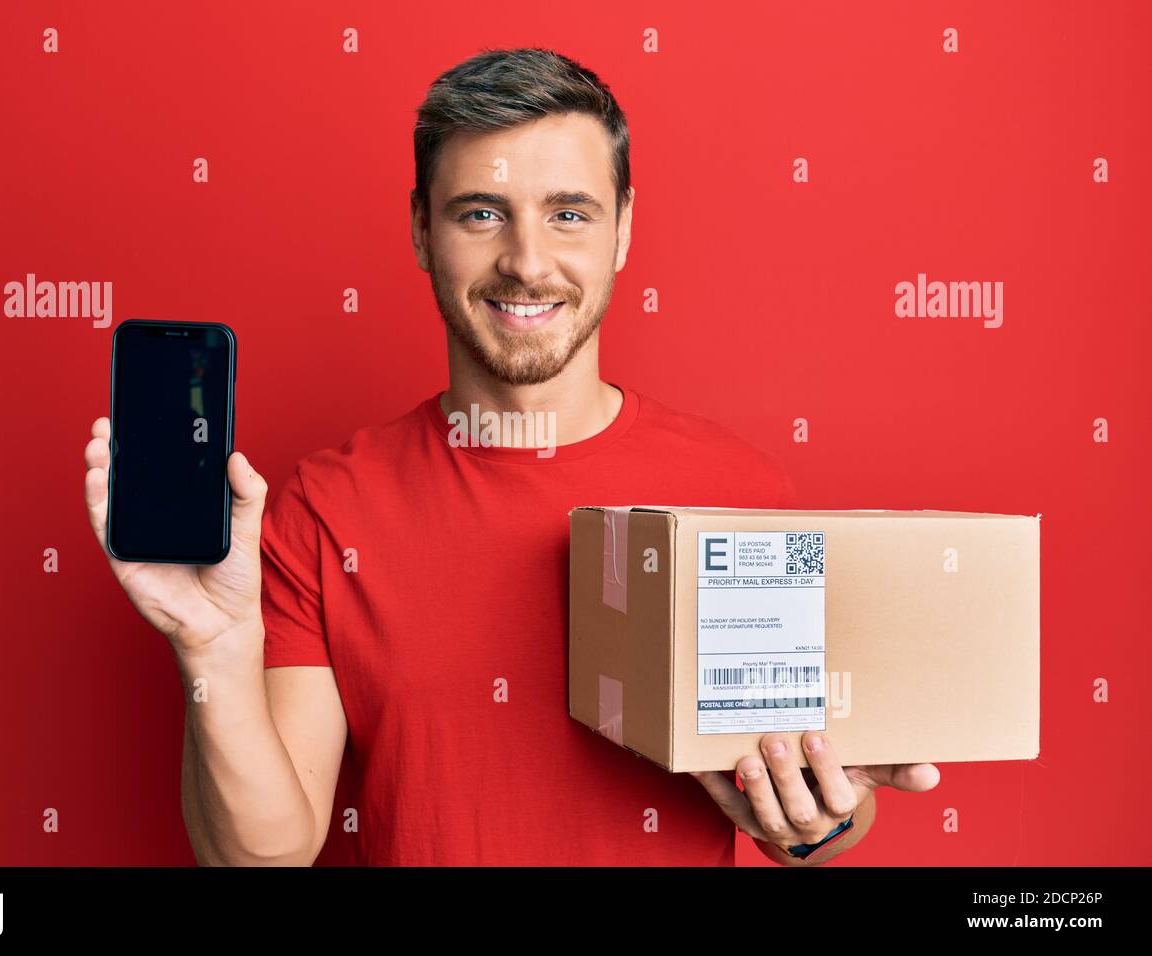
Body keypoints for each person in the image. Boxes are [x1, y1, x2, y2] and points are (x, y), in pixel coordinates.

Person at [82, 47, 938, 866]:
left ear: (624, 230)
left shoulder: (740, 492)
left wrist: (813, 820)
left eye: (569, 214)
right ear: (421, 230)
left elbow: (827, 819)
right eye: (481, 214)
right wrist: (214, 650)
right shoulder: (324, 508)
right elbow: (260, 856)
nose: (527, 263)